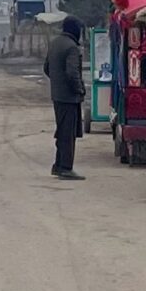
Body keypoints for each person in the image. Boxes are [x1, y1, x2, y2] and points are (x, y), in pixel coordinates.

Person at [43, 16, 86, 180]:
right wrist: (80, 90)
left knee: (61, 131)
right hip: (69, 98)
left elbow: (47, 68)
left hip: (57, 95)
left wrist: (57, 82)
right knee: (68, 134)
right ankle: (65, 167)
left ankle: (58, 164)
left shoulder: (55, 43)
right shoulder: (72, 47)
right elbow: (72, 73)